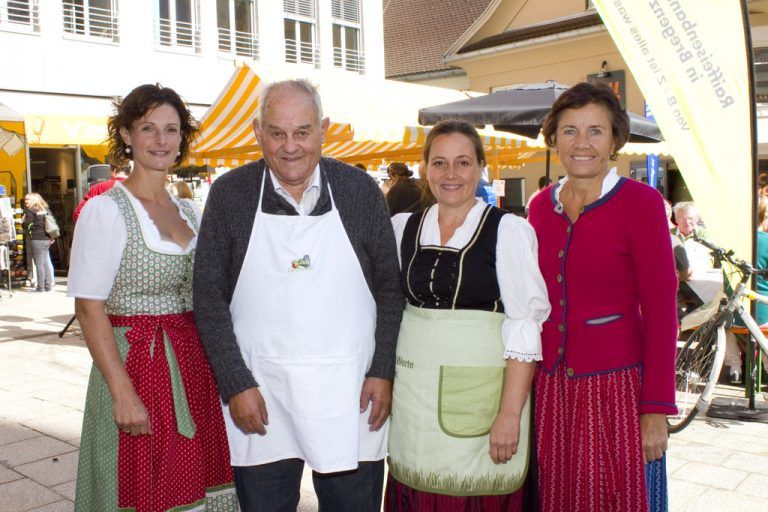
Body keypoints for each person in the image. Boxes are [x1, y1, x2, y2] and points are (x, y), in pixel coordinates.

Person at [193, 79, 403, 512]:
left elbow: (389, 289)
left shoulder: (359, 191)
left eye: (303, 132)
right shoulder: (231, 193)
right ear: (257, 132)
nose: (291, 146)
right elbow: (209, 296)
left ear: (323, 130)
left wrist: (383, 370)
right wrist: (236, 384)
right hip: (262, 395)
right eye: (277, 132)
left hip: (351, 394)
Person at [68, 84, 237, 511]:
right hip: (138, 368)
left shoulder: (190, 211)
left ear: (183, 138)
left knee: (195, 485)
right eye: (148, 129)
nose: (161, 141)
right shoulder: (106, 211)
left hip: (193, 367)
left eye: (171, 130)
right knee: (146, 489)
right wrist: (122, 391)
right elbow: (89, 309)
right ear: (127, 135)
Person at [385, 120, 550, 511]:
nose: (451, 174)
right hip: (414, 399)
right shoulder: (403, 227)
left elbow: (524, 324)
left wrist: (510, 414)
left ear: (480, 167)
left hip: (483, 401)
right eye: (439, 163)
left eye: (462, 163)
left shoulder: (508, 231)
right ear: (425, 168)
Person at [528, 82, 678, 512]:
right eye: (570, 130)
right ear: (554, 137)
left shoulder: (642, 202)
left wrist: (655, 408)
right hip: (552, 387)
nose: (582, 143)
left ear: (615, 140)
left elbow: (662, 308)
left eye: (596, 131)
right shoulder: (539, 207)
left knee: (613, 497)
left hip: (615, 388)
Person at [725, 194, 768, 384]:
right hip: (763, 314)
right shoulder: (766, 241)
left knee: (721, 319)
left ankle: (735, 368)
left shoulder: (731, 241)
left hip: (736, 313)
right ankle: (766, 366)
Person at [23, 192, 56, 292]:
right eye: (25, 200)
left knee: (39, 263)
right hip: (47, 239)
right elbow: (52, 221)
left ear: (33, 200)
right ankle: (48, 286)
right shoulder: (45, 209)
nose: (26, 201)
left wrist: (23, 220)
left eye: (28, 199)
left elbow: (26, 225)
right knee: (45, 262)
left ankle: (40, 287)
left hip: (37, 239)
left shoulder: (31, 210)